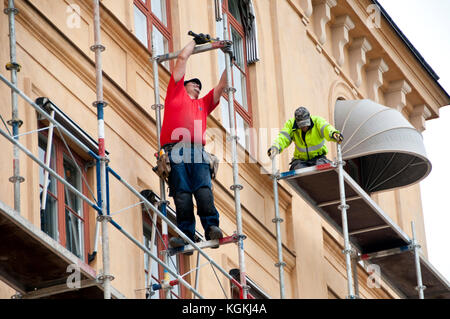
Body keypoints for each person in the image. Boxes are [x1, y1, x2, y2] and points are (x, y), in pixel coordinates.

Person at [159, 33, 229, 250]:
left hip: (197, 152)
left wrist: (229, 56)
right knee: (182, 195)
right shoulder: (175, 93)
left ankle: (211, 228)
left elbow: (221, 87)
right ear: (184, 85)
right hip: (175, 150)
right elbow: (182, 60)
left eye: (200, 85)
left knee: (204, 192)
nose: (198, 87)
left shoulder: (203, 104)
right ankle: (186, 233)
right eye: (194, 84)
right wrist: (196, 44)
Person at [268, 106, 343, 170]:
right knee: (298, 170)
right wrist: (276, 147)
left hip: (318, 158)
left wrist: (334, 133)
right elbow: (283, 138)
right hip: (300, 161)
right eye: (301, 125)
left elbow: (326, 128)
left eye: (305, 124)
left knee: (322, 168)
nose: (304, 127)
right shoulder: (291, 124)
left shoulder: (317, 121)